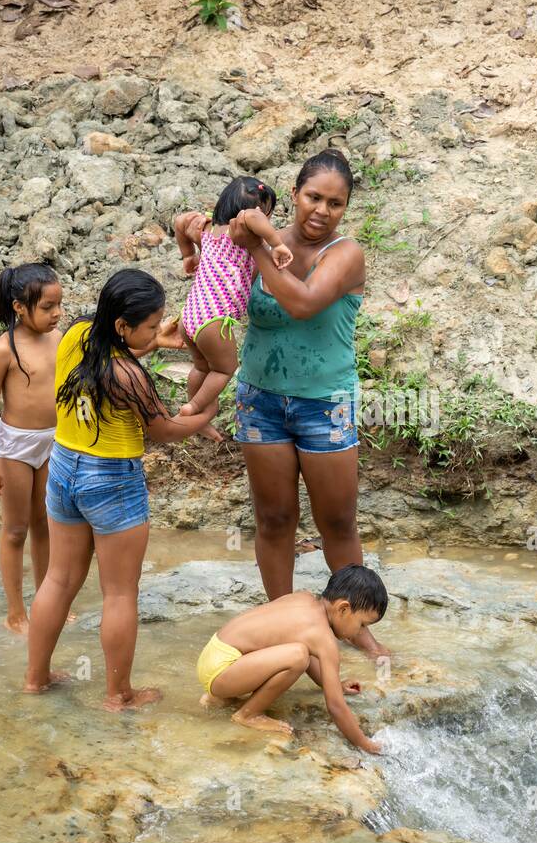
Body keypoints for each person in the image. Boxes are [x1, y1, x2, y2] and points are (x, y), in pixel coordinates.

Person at [168, 149, 388, 658]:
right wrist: (203, 242)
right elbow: (209, 275)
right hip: (260, 400)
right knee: (273, 520)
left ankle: (356, 628)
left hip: (325, 404)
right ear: (293, 194)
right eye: (313, 196)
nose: (322, 210)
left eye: (336, 202)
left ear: (345, 209)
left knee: (337, 523)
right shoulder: (254, 241)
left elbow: (304, 301)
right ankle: (287, 618)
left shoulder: (344, 253)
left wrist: (258, 249)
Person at [24, 268, 213, 710]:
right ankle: (119, 695)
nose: (157, 331)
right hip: (111, 479)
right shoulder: (127, 374)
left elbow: (111, 359)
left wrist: (151, 342)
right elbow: (163, 431)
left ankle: (36, 680)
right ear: (123, 326)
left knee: (59, 578)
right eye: (151, 326)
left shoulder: (77, 333)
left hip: (65, 465)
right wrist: (205, 419)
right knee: (121, 592)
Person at [197, 564, 385, 752]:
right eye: (362, 625)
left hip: (215, 656)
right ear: (343, 609)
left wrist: (335, 684)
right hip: (223, 671)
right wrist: (364, 743)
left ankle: (218, 696)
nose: (360, 632)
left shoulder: (303, 597)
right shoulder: (323, 638)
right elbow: (335, 706)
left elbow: (305, 650)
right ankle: (248, 714)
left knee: (298, 651)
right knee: (298, 656)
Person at [0, 264, 65, 635]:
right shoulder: (3, 350)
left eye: (59, 305)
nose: (57, 313)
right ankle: (15, 611)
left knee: (45, 523)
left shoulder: (59, 338)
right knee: (16, 530)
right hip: (14, 446)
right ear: (19, 307)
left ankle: (46, 602)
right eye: (47, 307)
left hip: (53, 440)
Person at [172, 176, 292, 422]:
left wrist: (187, 255)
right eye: (266, 215)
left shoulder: (206, 230)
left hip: (189, 317)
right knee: (224, 369)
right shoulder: (243, 232)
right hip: (215, 320)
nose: (265, 222)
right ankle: (195, 408)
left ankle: (193, 410)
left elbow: (179, 221)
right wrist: (277, 244)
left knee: (201, 367)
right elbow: (253, 218)